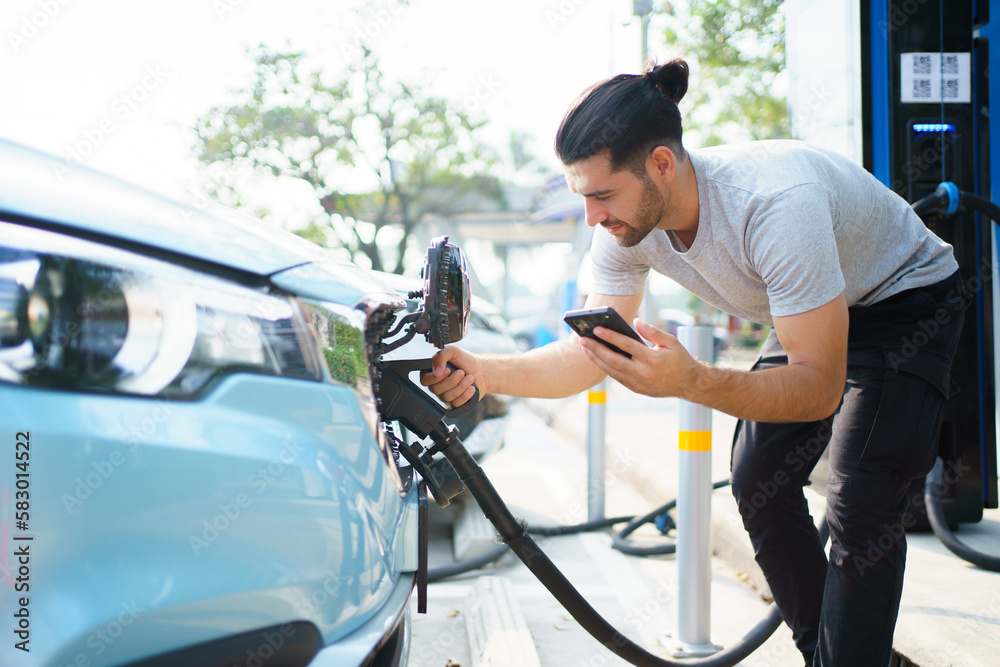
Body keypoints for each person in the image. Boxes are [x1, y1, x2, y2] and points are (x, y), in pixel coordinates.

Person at [422, 58, 967, 666]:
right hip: (817, 307)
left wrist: (694, 381)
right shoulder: (625, 228)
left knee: (862, 490)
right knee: (759, 475)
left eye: (602, 195)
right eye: (583, 198)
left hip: (904, 299)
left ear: (661, 164)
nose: (592, 218)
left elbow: (818, 390)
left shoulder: (773, 203)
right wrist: (481, 369)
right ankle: (836, 655)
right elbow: (585, 360)